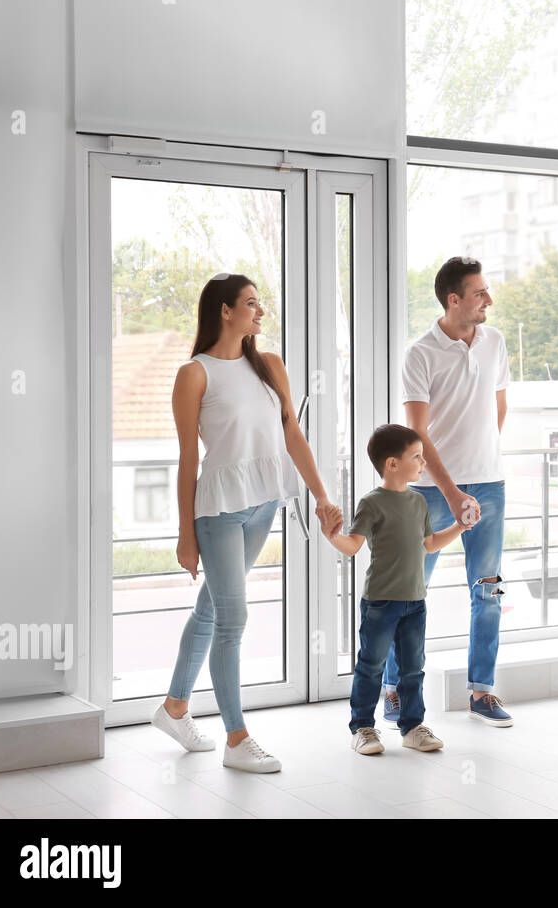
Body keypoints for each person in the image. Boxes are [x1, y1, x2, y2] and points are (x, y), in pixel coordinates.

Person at [153, 272, 342, 773]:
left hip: (263, 502)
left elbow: (292, 435)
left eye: (260, 304)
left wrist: (321, 496)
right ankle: (237, 740)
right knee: (232, 620)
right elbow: (188, 458)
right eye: (252, 304)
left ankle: (174, 707)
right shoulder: (195, 374)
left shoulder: (271, 365)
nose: (260, 312)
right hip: (218, 509)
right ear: (224, 310)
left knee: (212, 609)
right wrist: (185, 534)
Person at [381, 256, 513, 727]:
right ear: (453, 299)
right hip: (432, 493)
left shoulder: (495, 342)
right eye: (479, 294)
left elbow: (498, 409)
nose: (488, 301)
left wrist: (481, 468)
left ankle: (482, 692)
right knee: (410, 590)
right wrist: (454, 490)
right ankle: (393, 688)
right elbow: (416, 437)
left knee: (489, 590)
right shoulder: (421, 354)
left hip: (490, 485)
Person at [322, 424, 470, 754]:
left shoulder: (418, 502)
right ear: (392, 464)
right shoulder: (372, 503)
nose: (423, 463)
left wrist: (460, 526)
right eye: (417, 457)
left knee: (413, 668)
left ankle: (412, 726)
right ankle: (362, 727)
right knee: (371, 666)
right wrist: (332, 535)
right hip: (380, 602)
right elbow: (352, 546)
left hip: (415, 601)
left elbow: (430, 544)